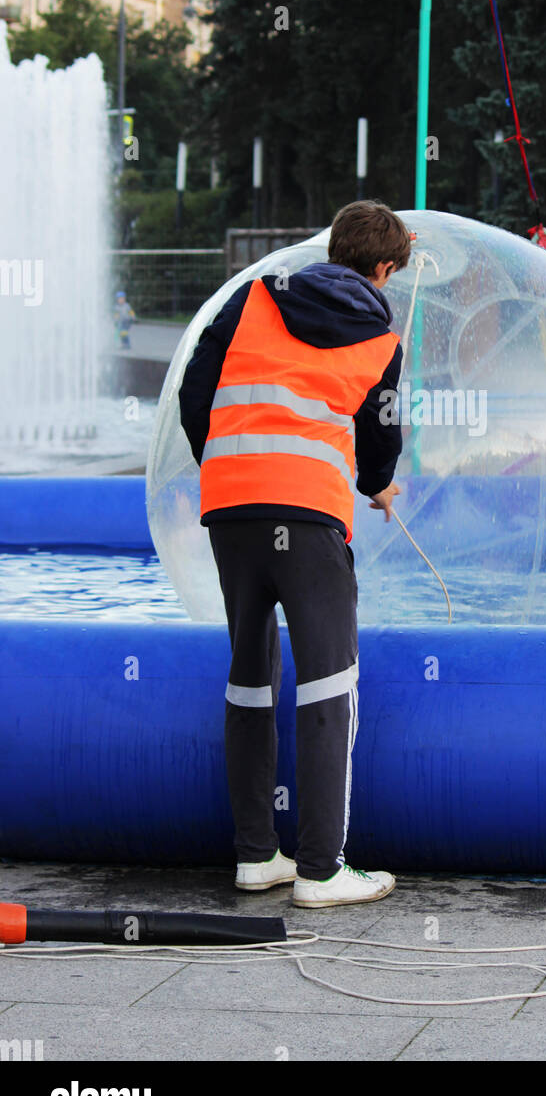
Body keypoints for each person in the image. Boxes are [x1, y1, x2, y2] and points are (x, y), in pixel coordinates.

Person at [178, 200, 412, 908]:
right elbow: (381, 438)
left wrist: (225, 464)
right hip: (308, 512)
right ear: (381, 268)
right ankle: (320, 869)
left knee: (249, 675)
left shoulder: (252, 297)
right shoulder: (381, 340)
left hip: (232, 503)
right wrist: (377, 486)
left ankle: (257, 857)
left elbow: (196, 388)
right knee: (329, 681)